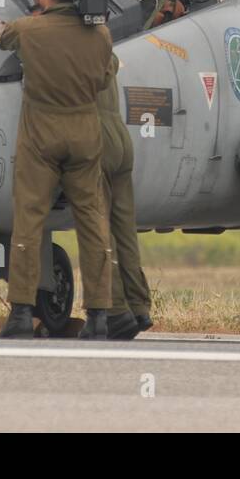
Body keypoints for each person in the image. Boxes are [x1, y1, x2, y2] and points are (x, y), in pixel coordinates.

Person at [0, 0, 114, 339]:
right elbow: (107, 74)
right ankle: (98, 317)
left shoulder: (29, 30)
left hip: (41, 134)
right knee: (92, 223)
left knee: (29, 219)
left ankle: (22, 314)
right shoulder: (101, 35)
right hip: (84, 133)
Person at [97, 53, 154, 340]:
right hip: (119, 135)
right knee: (124, 229)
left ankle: (115, 310)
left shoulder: (70, 44)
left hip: (96, 138)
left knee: (99, 227)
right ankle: (139, 305)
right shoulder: (106, 50)